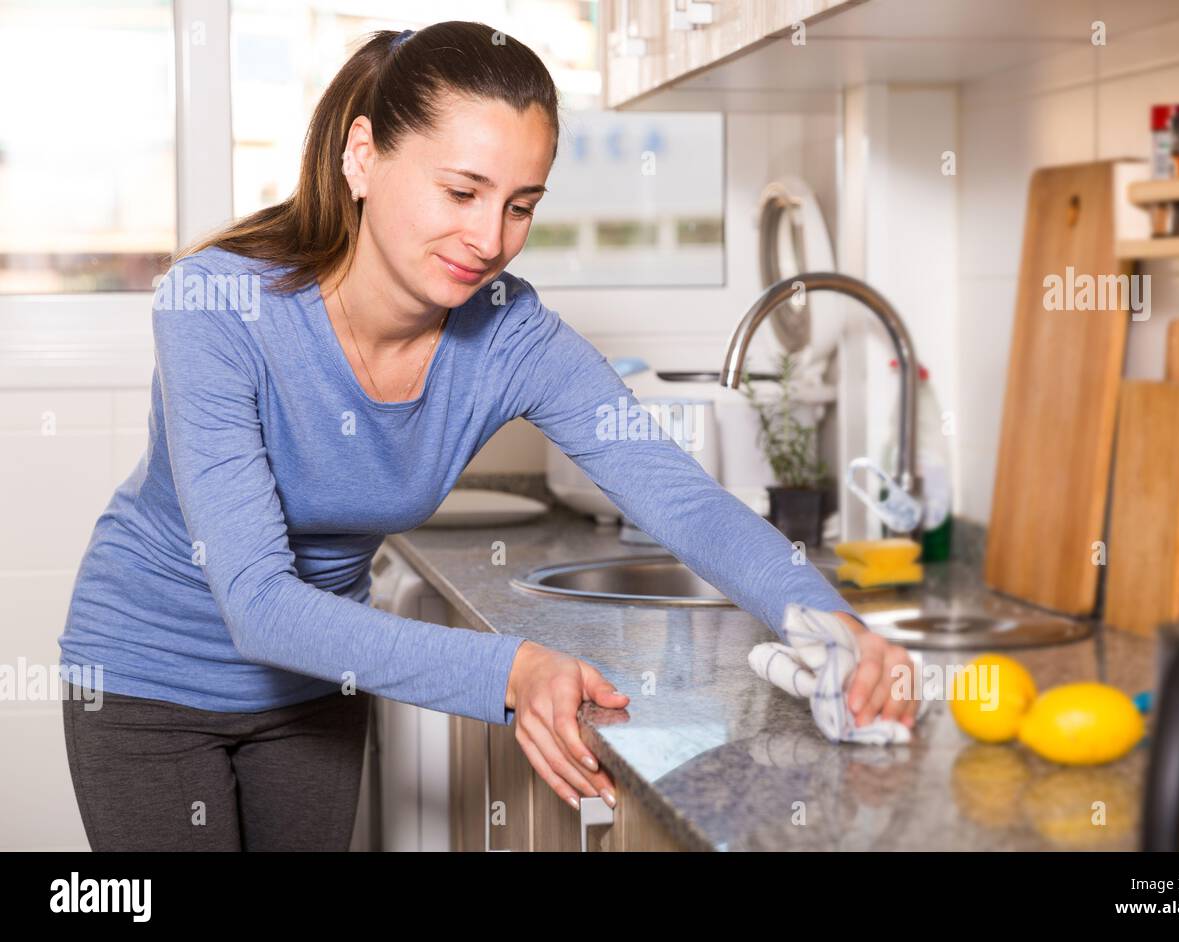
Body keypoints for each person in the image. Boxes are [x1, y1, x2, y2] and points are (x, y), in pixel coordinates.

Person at [57, 21, 918, 852]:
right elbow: (257, 604)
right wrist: (509, 671)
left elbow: (683, 501)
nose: (489, 240)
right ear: (363, 156)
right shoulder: (216, 306)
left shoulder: (509, 334)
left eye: (520, 206)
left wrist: (834, 626)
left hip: (320, 687)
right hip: (147, 683)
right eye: (461, 192)